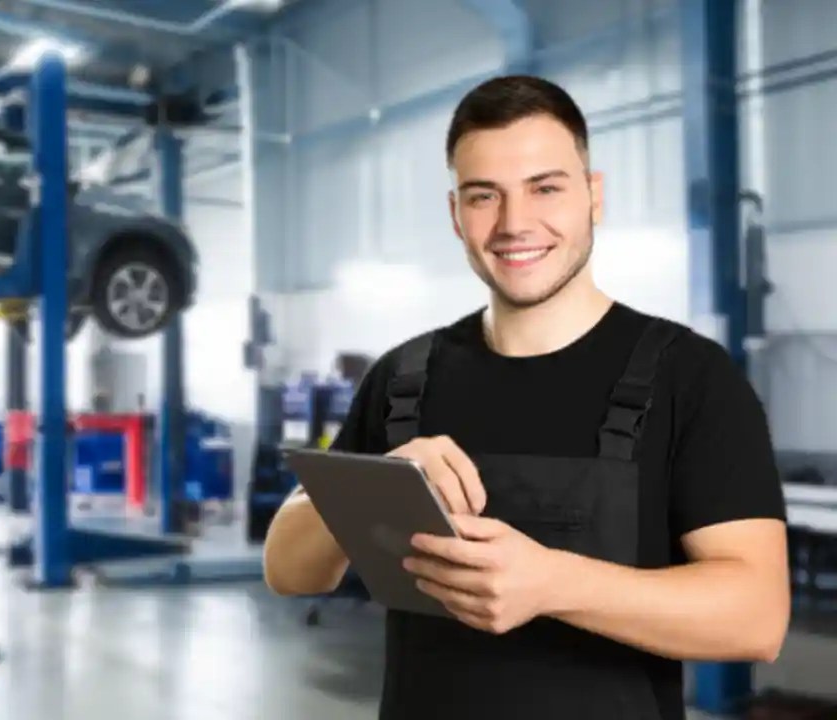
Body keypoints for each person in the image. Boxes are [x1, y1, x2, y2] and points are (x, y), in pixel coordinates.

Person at [261, 75, 791, 720]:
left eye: (545, 188)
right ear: (456, 214)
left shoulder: (692, 379)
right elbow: (291, 570)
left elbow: (756, 619)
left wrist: (553, 583)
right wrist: (383, 478)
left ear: (593, 197)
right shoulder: (403, 379)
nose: (515, 224)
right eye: (485, 196)